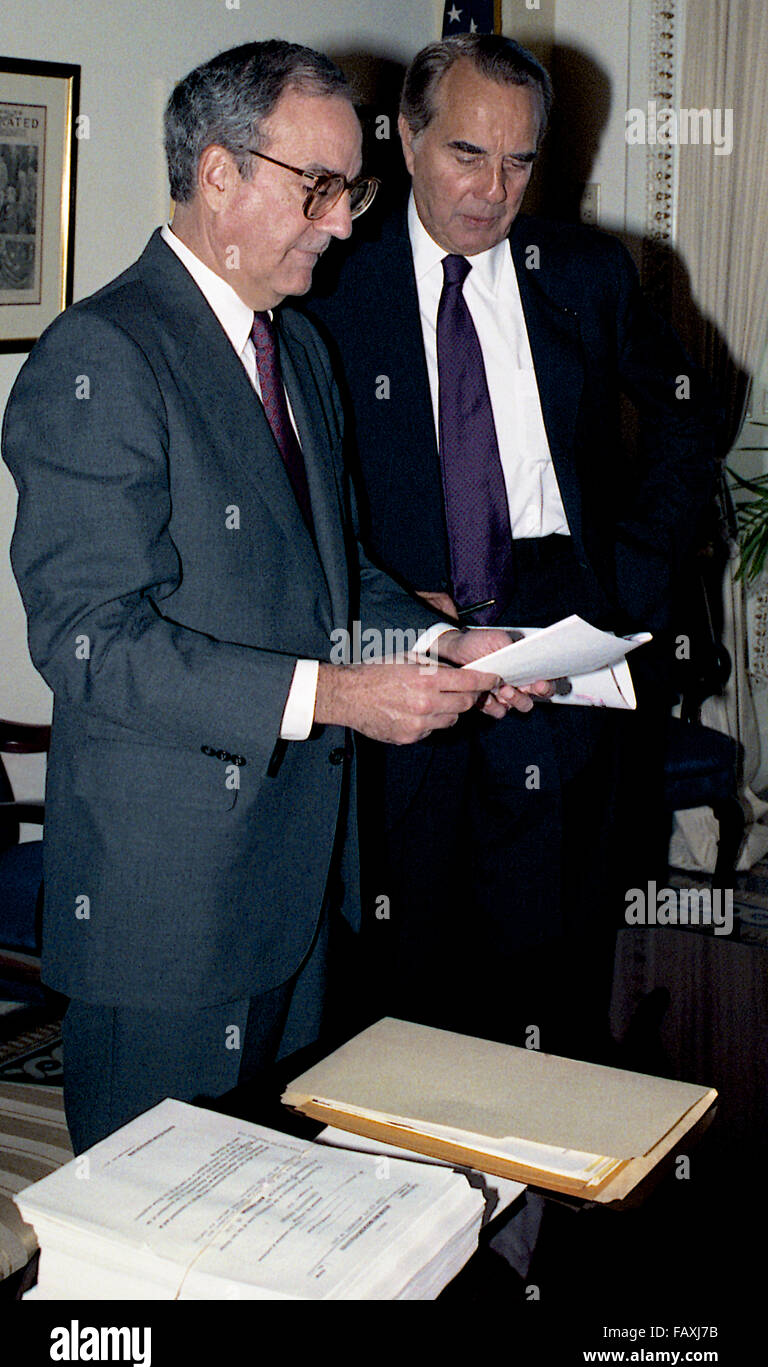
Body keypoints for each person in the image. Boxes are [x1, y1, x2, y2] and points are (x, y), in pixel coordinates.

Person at [1, 39, 541, 1154]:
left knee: (272, 1224)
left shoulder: (295, 352)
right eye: (321, 189)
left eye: (355, 189)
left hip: (299, 887)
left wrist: (447, 644)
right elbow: (92, 642)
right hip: (169, 911)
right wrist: (339, 695)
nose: (345, 224)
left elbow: (332, 570)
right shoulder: (98, 356)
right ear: (218, 173)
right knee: (154, 1242)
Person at [306, 34, 718, 1058]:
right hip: (407, 620)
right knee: (404, 944)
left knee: (551, 941)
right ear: (404, 138)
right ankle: (415, 1188)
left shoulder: (584, 272)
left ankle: (534, 1192)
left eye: (520, 161)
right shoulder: (331, 284)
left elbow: (687, 402)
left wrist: (632, 564)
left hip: (560, 612)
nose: (493, 191)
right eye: (465, 154)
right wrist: (389, 610)